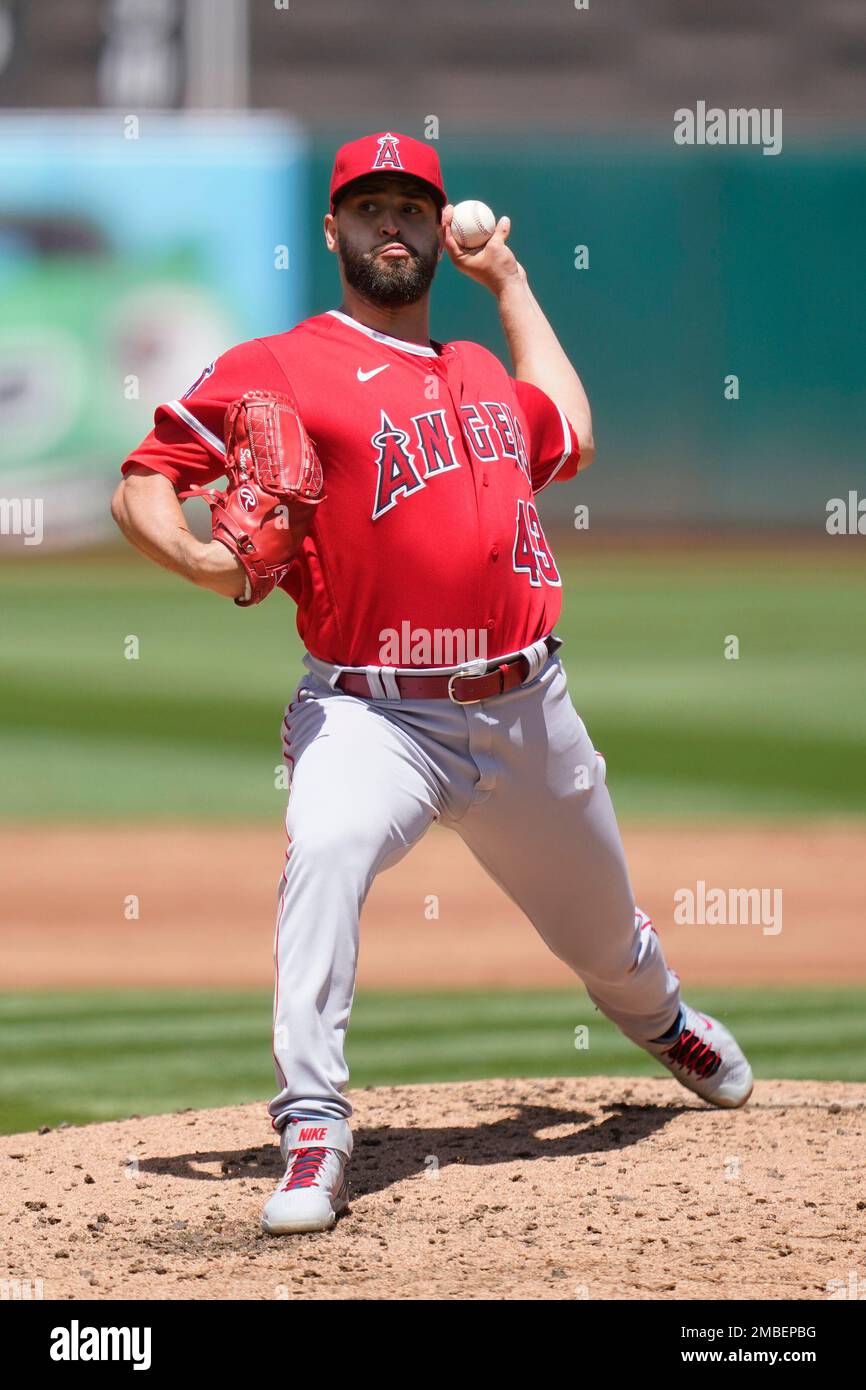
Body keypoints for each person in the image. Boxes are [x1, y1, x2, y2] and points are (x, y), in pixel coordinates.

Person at [112, 130, 753, 1238]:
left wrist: (505, 281)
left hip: (524, 709)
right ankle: (312, 1123)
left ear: (435, 225)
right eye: (370, 207)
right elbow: (143, 483)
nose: (395, 225)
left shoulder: (475, 373)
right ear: (334, 231)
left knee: (605, 938)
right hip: (370, 711)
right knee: (324, 848)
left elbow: (577, 432)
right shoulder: (278, 364)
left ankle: (658, 1019)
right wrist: (210, 564)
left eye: (412, 205)